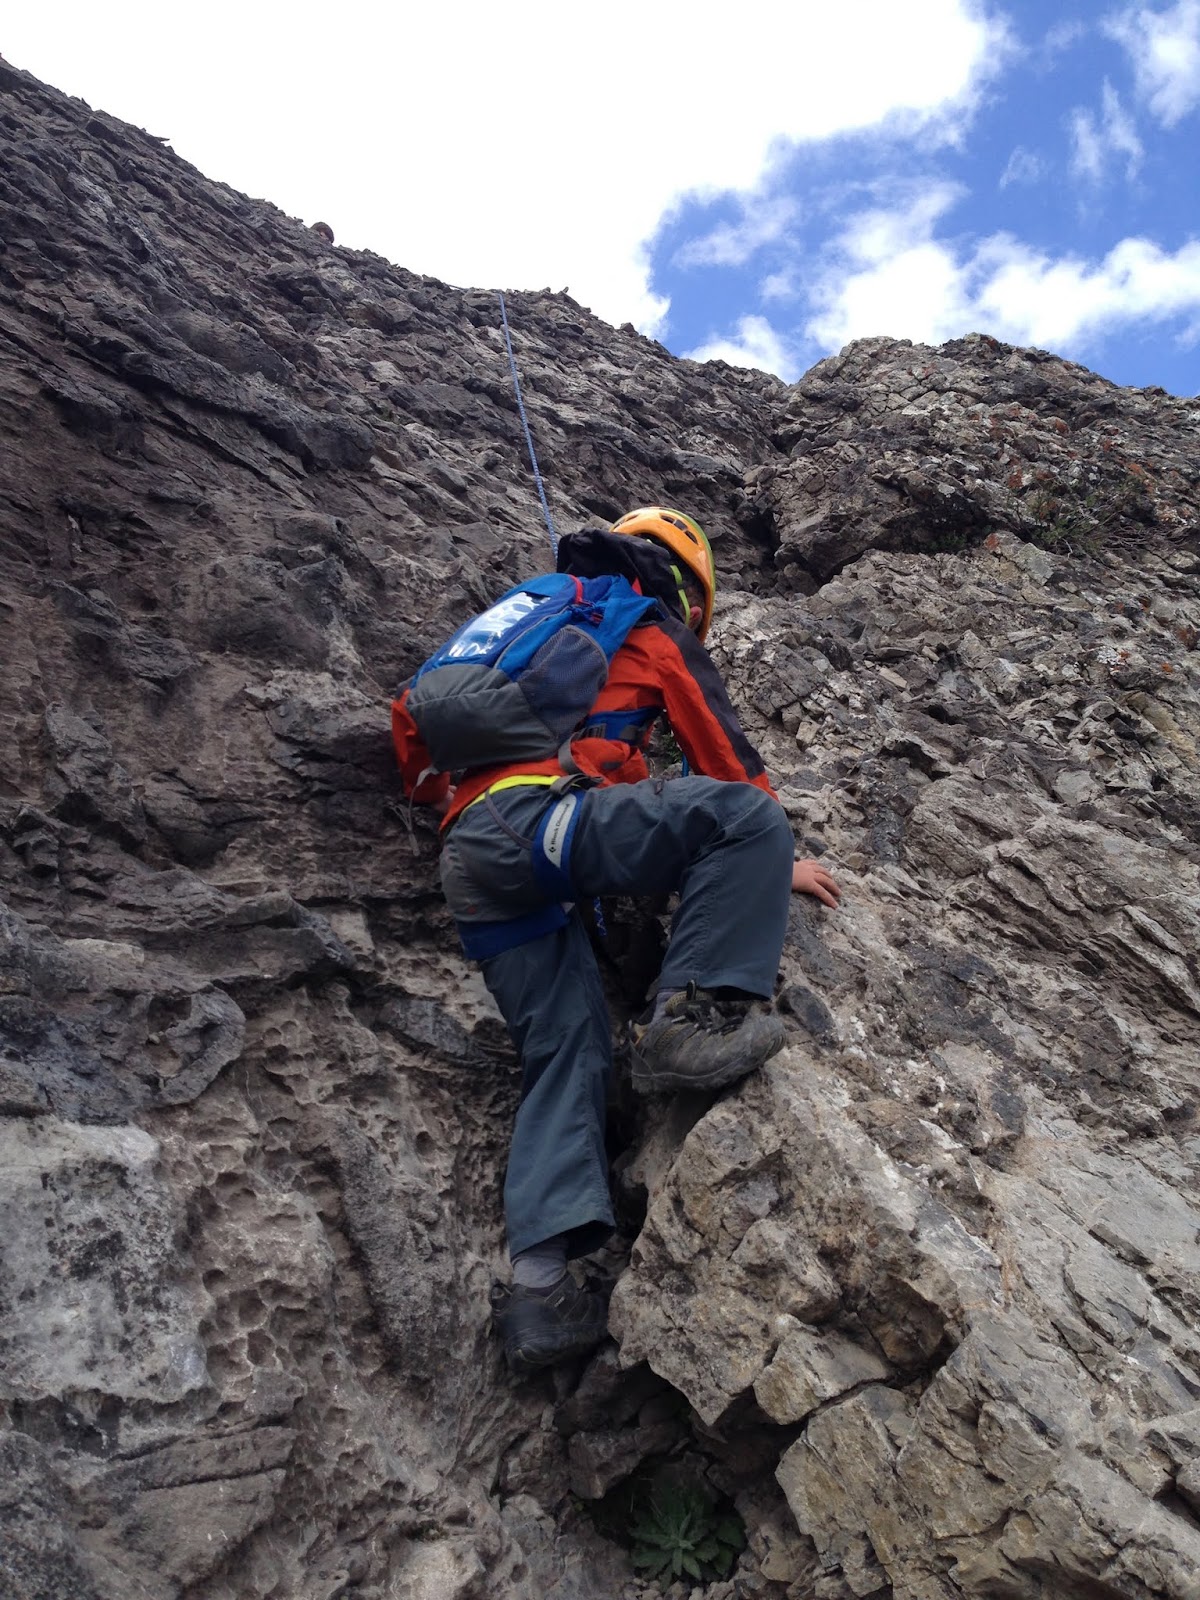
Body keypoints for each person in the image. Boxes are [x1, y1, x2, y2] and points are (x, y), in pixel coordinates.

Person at [391, 508, 840, 1375]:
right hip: (545, 827)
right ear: (688, 590)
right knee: (743, 820)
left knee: (570, 1048)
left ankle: (540, 1292)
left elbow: (411, 734)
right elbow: (724, 761)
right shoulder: (643, 622)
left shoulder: (520, 621)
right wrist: (771, 850)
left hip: (473, 860)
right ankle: (693, 1017)